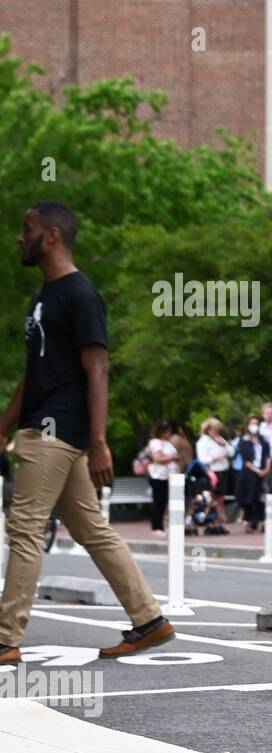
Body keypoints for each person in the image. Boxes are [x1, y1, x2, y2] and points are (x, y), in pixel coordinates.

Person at [0, 200, 174, 661]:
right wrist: (3, 426)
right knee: (90, 528)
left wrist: (99, 442)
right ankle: (149, 620)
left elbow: (97, 369)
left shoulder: (81, 295)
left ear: (52, 235)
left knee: (24, 527)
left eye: (28, 229)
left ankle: (6, 638)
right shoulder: (43, 296)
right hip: (46, 427)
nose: (21, 237)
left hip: (58, 431)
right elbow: (32, 373)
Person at [195, 416, 234, 533]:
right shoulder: (203, 442)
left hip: (223, 470)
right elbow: (202, 459)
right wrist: (216, 458)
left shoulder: (219, 439)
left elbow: (232, 452)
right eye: (214, 430)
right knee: (213, 498)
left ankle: (218, 522)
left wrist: (224, 444)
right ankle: (210, 522)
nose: (216, 433)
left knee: (220, 498)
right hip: (212, 472)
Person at [234, 414, 271, 532]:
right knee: (248, 498)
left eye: (257, 424)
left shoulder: (263, 441)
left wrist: (266, 469)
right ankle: (249, 520)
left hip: (262, 472)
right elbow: (246, 461)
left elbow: (268, 456)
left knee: (260, 498)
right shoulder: (244, 441)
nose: (255, 426)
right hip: (249, 473)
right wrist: (258, 471)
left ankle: (262, 521)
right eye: (252, 424)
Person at [145, 421, 180, 535]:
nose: (170, 433)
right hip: (158, 475)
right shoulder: (155, 442)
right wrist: (173, 458)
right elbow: (157, 458)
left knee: (165, 501)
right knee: (158, 501)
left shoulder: (166, 442)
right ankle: (156, 527)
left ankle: (163, 526)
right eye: (168, 431)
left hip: (168, 476)